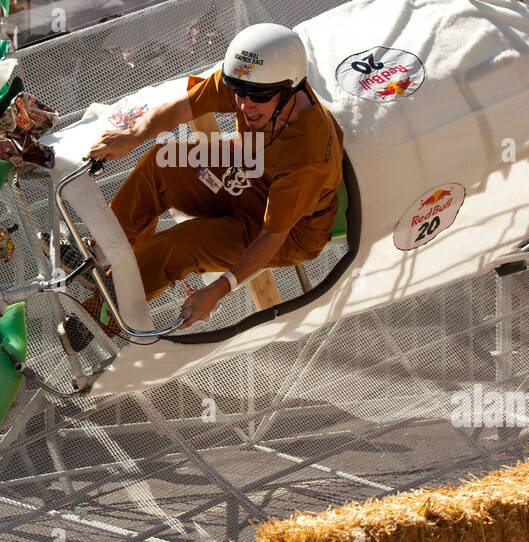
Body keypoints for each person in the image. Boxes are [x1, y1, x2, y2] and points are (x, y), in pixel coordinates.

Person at [86, 24, 345, 330]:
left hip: (292, 229)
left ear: (290, 90)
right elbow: (185, 107)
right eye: (239, 93)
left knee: (179, 246)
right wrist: (134, 134)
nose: (245, 105)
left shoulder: (308, 155)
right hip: (254, 171)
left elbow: (273, 234)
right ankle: (103, 255)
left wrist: (217, 290)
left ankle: (97, 317)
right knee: (161, 163)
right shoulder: (253, 83)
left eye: (257, 98)